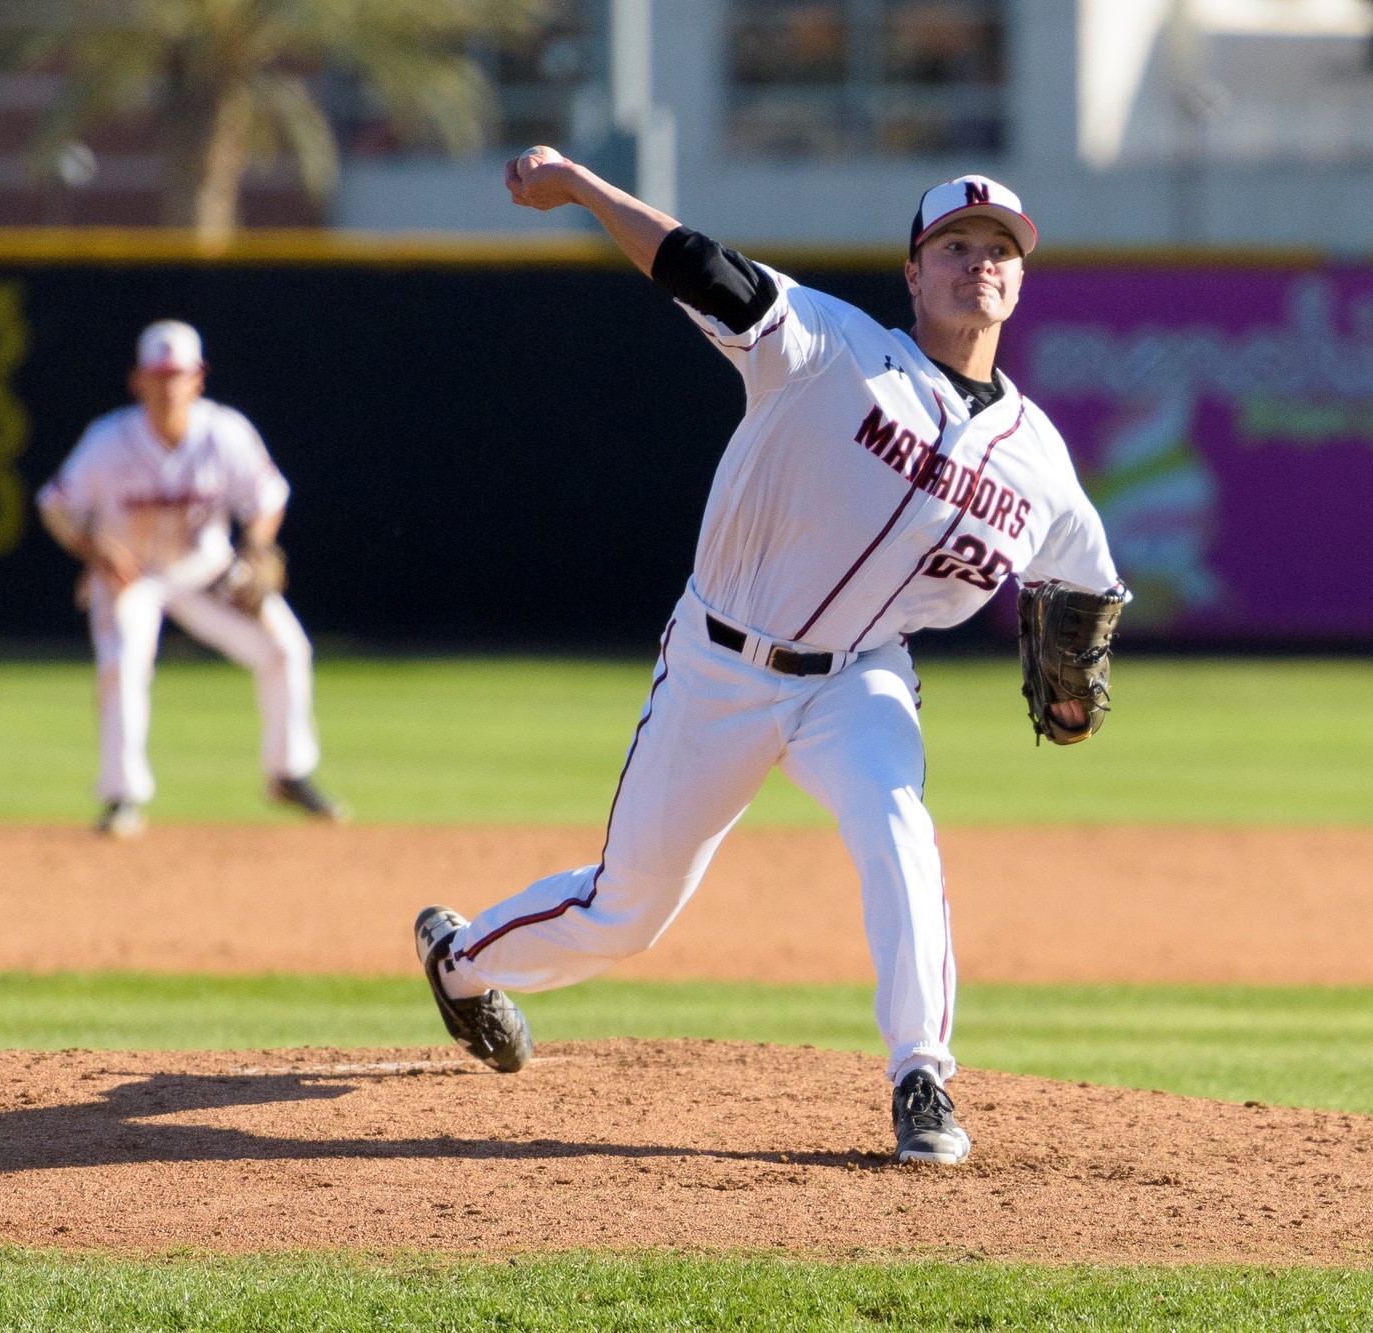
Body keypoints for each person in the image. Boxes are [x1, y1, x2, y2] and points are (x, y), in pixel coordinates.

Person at [412, 148, 1127, 1166]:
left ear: (1019, 279)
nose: (980, 263)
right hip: (720, 667)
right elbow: (700, 265)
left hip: (859, 676)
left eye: (1000, 250)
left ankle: (920, 1076)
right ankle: (463, 960)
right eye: (955, 245)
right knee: (625, 913)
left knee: (898, 832)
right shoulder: (830, 346)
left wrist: (1073, 678)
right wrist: (578, 187)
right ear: (913, 272)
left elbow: (1086, 578)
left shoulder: (1037, 459)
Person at [36, 320, 347, 836]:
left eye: (177, 374)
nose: (168, 385)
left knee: (287, 648)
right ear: (137, 379)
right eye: (158, 374)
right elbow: (55, 505)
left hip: (203, 569)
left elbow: (268, 496)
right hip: (133, 575)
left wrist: (258, 546)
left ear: (198, 377)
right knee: (121, 664)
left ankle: (288, 773)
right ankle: (122, 797)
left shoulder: (224, 432)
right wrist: (92, 548)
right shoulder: (109, 440)